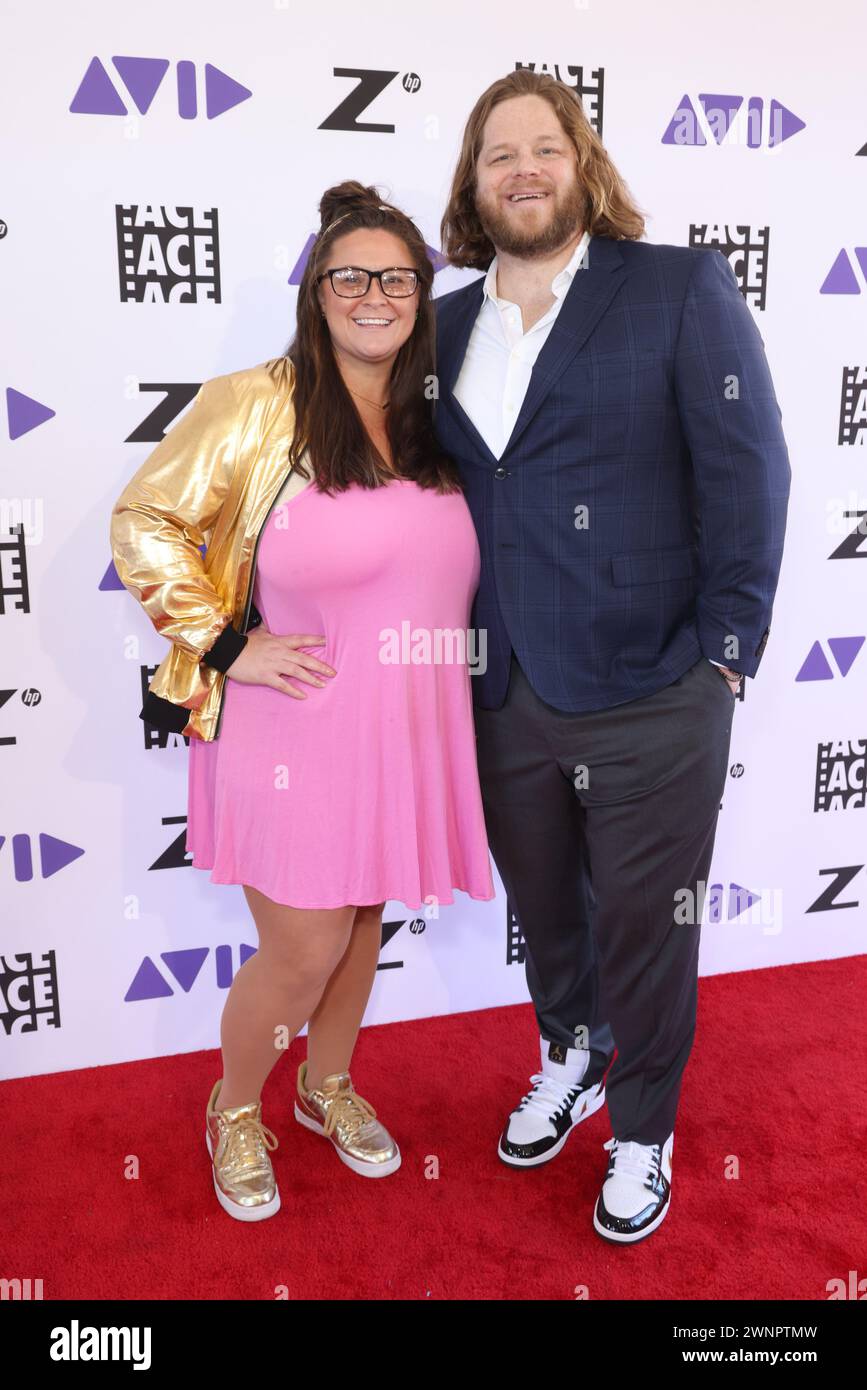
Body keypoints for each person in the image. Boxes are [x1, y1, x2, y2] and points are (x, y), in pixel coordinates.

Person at [434, 70, 790, 1243]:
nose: (522, 169)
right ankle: (571, 1052)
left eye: (544, 146)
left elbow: (748, 469)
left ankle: (642, 1130)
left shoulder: (676, 288)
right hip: (499, 688)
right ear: (474, 182)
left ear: (581, 163)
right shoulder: (440, 325)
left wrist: (725, 656)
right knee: (549, 908)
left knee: (647, 922)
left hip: (656, 688)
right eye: (499, 153)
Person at [110, 181, 495, 1223]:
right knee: (304, 944)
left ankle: (326, 1089)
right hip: (296, 723)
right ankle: (235, 1107)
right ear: (316, 292)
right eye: (350, 276)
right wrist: (228, 642)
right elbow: (145, 519)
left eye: (397, 277)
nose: (375, 294)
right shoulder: (257, 403)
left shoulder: (438, 408)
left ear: (422, 291)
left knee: (364, 923)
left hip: (407, 724)